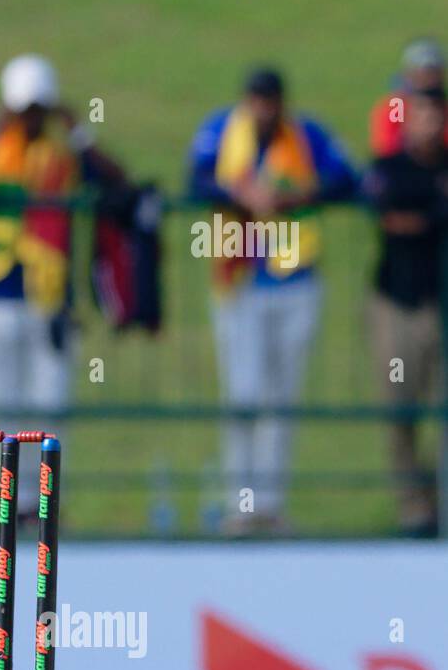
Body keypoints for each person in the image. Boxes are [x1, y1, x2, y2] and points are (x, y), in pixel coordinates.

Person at [187, 68, 358, 534]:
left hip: (294, 277)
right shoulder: (222, 131)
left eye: (271, 102)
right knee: (242, 394)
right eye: (256, 101)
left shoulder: (306, 135)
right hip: (240, 280)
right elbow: (195, 181)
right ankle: (240, 505)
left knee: (281, 398)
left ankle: (271, 505)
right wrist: (238, 192)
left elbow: (348, 178)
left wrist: (298, 195)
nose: (263, 111)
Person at [0, 54, 124, 517]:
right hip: (0, 290)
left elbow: (116, 180)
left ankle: (42, 500)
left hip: (51, 297)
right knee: (2, 402)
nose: (29, 119)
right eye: (22, 110)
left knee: (50, 403)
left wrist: (78, 133)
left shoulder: (65, 151)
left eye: (37, 110)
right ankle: (11, 499)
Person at [364, 85, 448, 536]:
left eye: (436, 114)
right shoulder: (389, 168)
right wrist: (432, 216)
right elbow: (385, 213)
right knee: (400, 406)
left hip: (441, 306)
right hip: (397, 303)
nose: (428, 123)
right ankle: (413, 506)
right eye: (420, 114)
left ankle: (441, 499)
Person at [369, 38, 448, 157]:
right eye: (422, 73)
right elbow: (386, 147)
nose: (428, 79)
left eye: (433, 72)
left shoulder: (442, 107)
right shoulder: (397, 106)